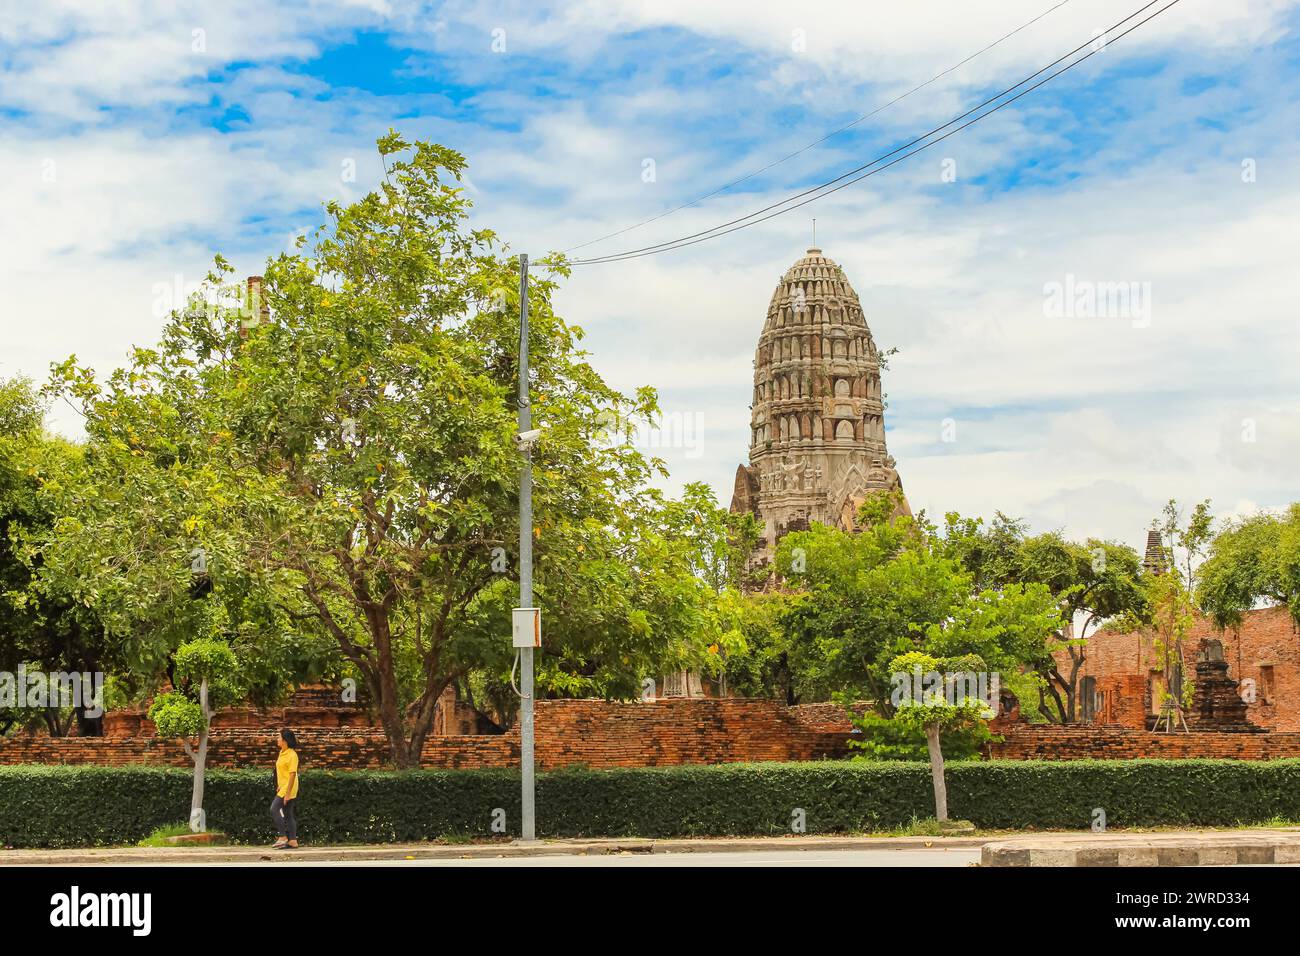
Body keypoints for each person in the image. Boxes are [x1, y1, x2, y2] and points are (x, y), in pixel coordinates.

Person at [271, 728, 300, 849]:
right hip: (283, 786)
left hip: (290, 786)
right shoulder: (282, 752)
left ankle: (283, 836)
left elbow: (292, 775)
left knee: (274, 809)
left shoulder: (292, 755)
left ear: (285, 740)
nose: (277, 739)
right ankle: (293, 841)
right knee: (288, 813)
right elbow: (282, 771)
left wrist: (287, 793)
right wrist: (279, 784)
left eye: (279, 737)